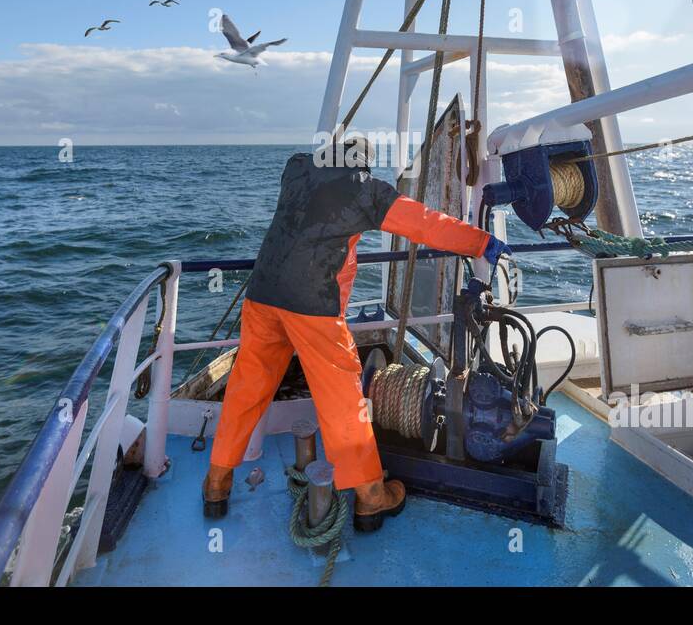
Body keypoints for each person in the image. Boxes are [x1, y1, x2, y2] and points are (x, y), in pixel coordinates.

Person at [204, 132, 510, 531]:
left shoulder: (295, 172)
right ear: (361, 166)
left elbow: (308, 168)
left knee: (247, 385)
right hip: (312, 305)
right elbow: (424, 223)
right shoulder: (365, 191)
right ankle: (370, 496)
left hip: (262, 295)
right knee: (343, 400)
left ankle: (216, 482)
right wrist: (481, 242)